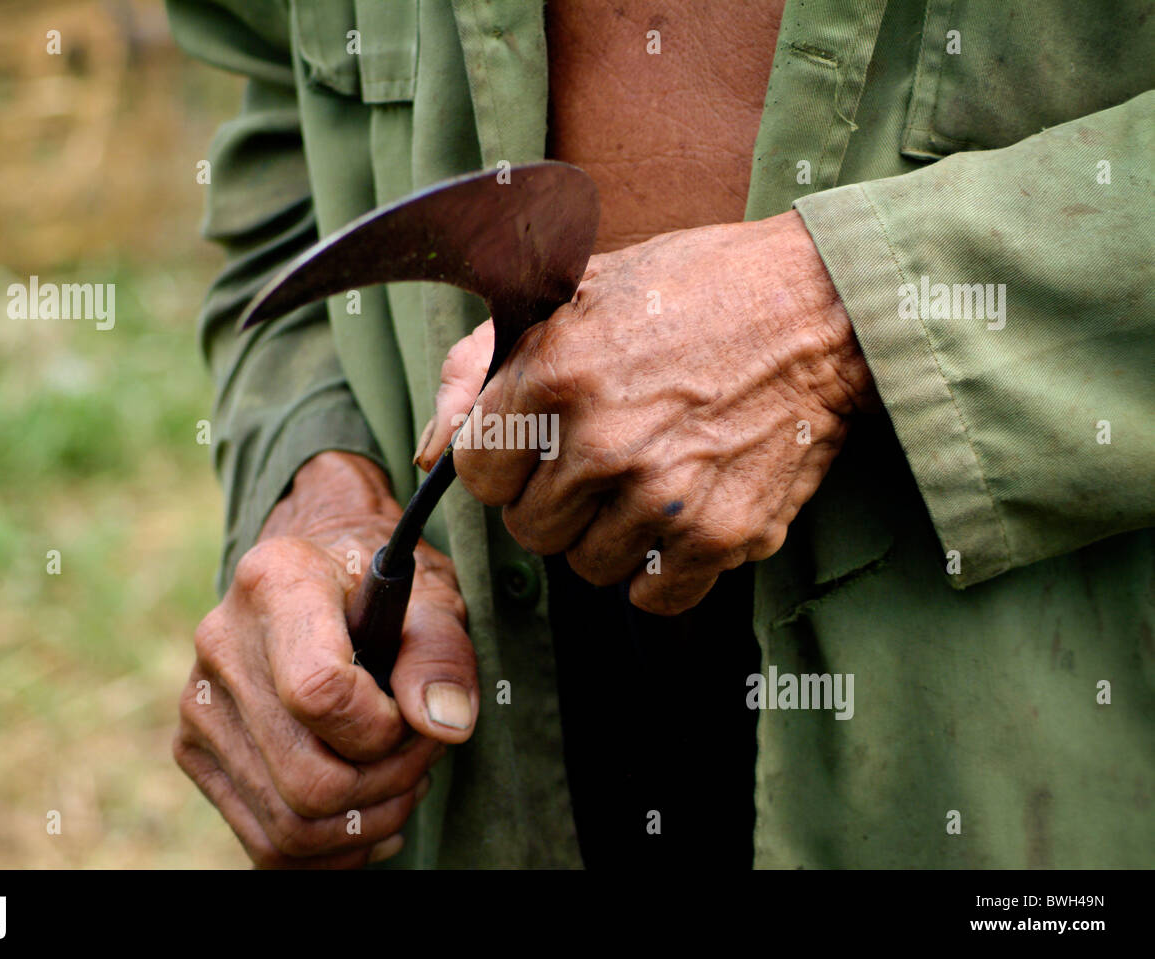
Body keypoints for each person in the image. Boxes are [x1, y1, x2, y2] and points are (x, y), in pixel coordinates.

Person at [166, 0, 1155, 868]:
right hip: (486, 667)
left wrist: (845, 315)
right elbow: (288, 148)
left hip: (1018, 671)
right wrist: (319, 482)